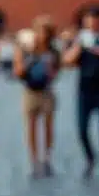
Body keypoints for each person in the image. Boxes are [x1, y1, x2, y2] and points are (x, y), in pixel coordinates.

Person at [62, 9, 99, 182]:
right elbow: (67, 62)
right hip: (85, 91)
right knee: (82, 130)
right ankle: (90, 159)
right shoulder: (79, 39)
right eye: (88, 22)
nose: (92, 25)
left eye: (94, 21)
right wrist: (79, 46)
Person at [14, 20, 61, 177]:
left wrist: (50, 70)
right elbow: (18, 72)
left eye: (46, 32)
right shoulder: (24, 49)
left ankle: (46, 158)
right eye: (40, 31)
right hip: (30, 92)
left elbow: (56, 73)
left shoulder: (53, 51)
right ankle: (33, 161)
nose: (42, 35)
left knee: (48, 127)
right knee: (31, 127)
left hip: (47, 91)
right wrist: (31, 59)